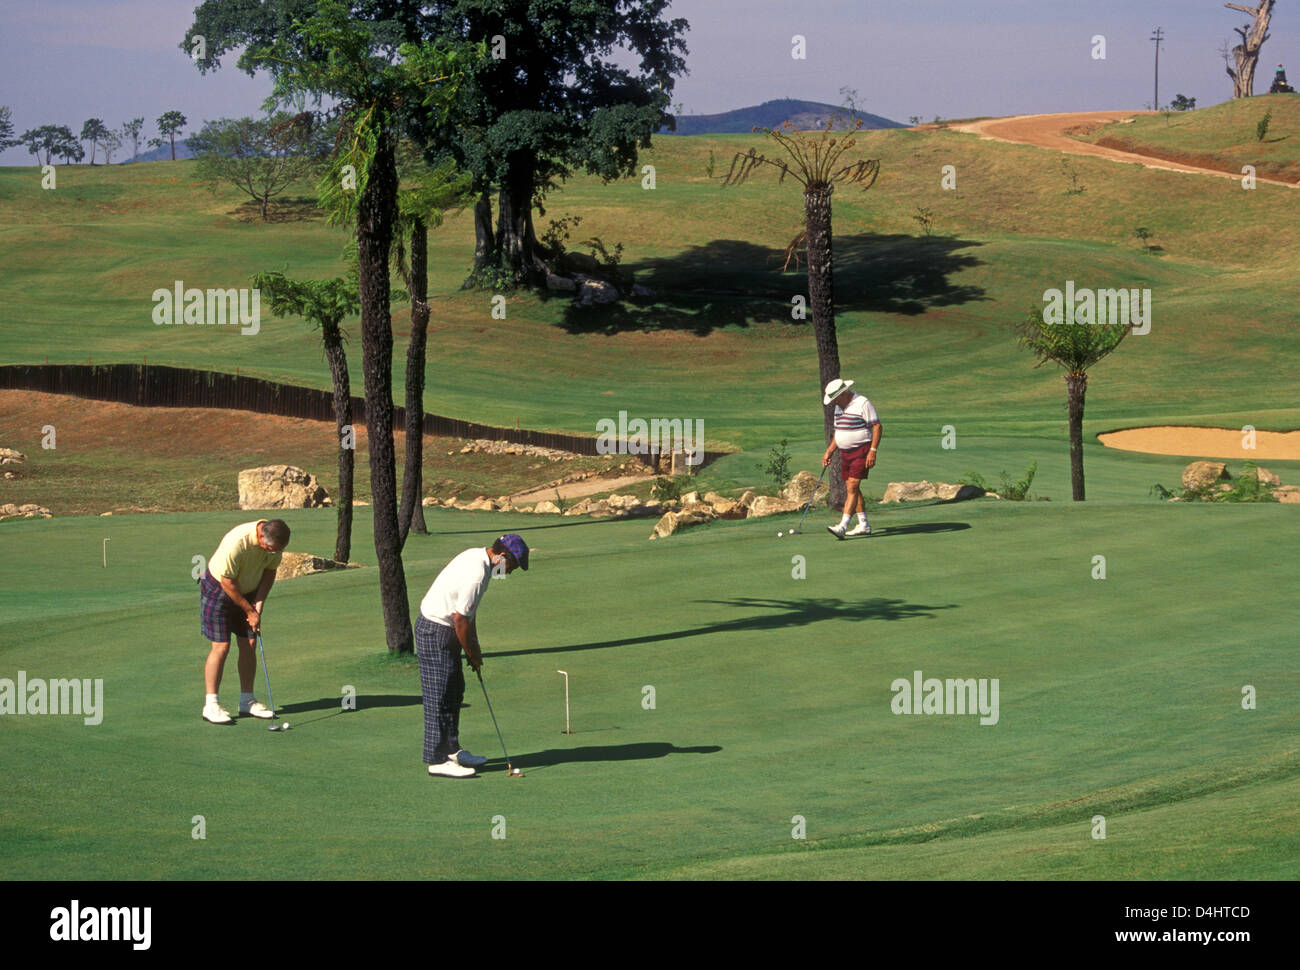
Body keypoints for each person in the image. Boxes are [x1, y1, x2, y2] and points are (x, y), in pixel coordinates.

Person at [416, 534, 530, 778]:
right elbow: (459, 620)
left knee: (454, 689)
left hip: (446, 629)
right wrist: (471, 652)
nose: (509, 572)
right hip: (435, 630)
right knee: (440, 693)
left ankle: (452, 750)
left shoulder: (482, 562)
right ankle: (437, 760)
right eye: (511, 566)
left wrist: (474, 649)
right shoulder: (477, 574)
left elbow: (468, 615)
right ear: (501, 557)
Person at [199, 518, 290, 724]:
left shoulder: (274, 544)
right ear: (260, 536)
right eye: (270, 548)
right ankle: (211, 705)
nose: (273, 552)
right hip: (218, 588)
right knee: (221, 646)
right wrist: (249, 611)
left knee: (249, 643)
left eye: (276, 550)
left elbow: (270, 572)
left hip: (248, 592)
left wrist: (258, 604)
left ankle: (247, 701)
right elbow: (227, 582)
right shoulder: (237, 542)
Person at [821, 378, 882, 538]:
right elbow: (839, 432)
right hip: (845, 454)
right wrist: (829, 451)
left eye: (835, 399)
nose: (833, 403)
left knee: (852, 487)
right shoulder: (838, 408)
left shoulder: (862, 403)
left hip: (861, 451)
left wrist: (873, 451)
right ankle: (864, 525)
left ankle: (842, 526)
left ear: (842, 394)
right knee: (853, 488)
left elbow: (877, 426)